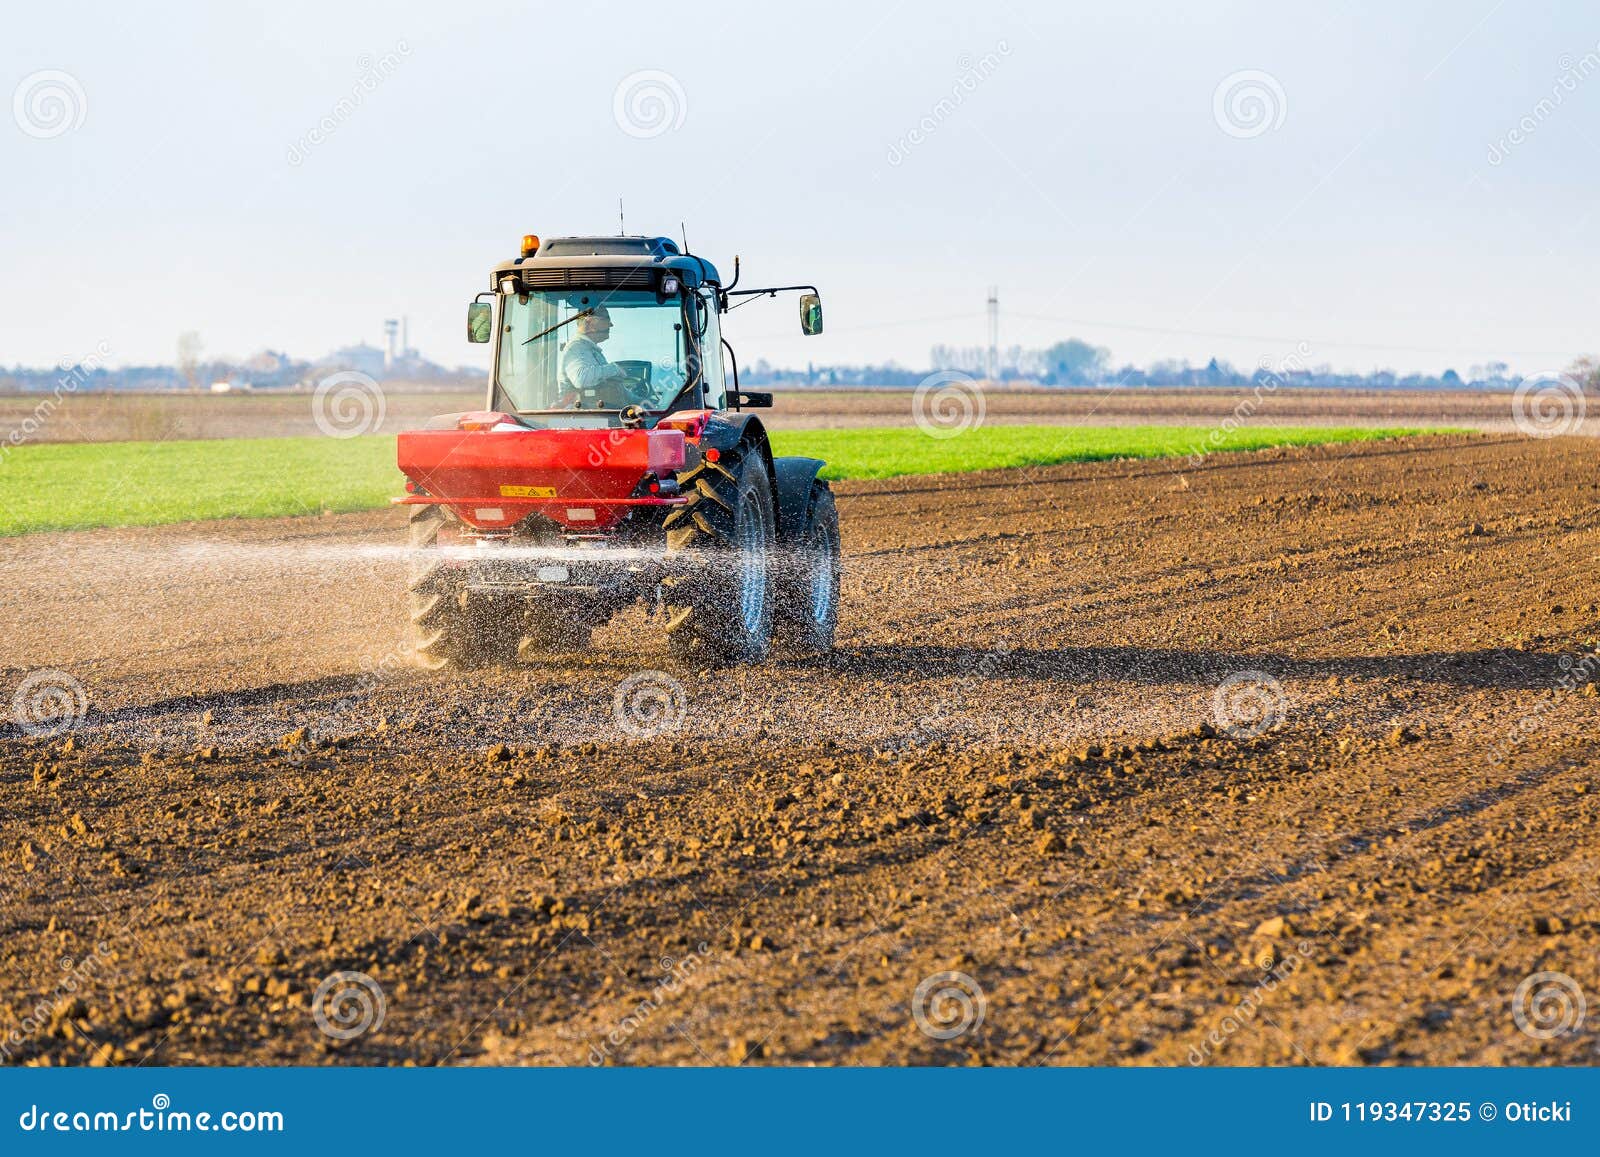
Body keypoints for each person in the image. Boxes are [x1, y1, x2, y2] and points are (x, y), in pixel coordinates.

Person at [560, 306, 632, 399]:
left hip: (601, 406)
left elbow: (619, 390)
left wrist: (643, 402)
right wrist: (615, 369)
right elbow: (581, 379)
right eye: (606, 319)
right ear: (589, 322)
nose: (611, 325)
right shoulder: (576, 347)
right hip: (581, 408)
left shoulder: (589, 349)